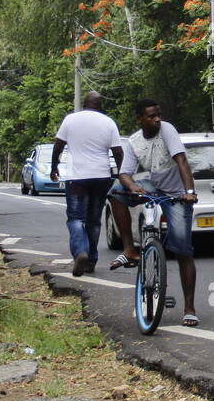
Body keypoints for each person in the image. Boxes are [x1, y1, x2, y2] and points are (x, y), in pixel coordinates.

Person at [108, 99, 201, 326]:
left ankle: (189, 308)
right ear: (140, 119)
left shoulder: (167, 130)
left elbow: (182, 161)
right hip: (154, 185)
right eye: (151, 116)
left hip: (177, 192)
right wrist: (132, 187)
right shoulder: (134, 142)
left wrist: (189, 191)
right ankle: (130, 250)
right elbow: (125, 173)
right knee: (115, 192)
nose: (157, 119)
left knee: (182, 249)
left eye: (158, 114)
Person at [51, 91, 124, 276]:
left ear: (85, 103)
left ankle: (80, 253)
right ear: (100, 105)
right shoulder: (109, 123)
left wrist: (54, 167)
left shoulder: (70, 120)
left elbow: (58, 145)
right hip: (101, 177)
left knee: (76, 219)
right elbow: (118, 152)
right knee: (94, 222)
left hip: (77, 177)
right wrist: (123, 174)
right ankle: (91, 260)